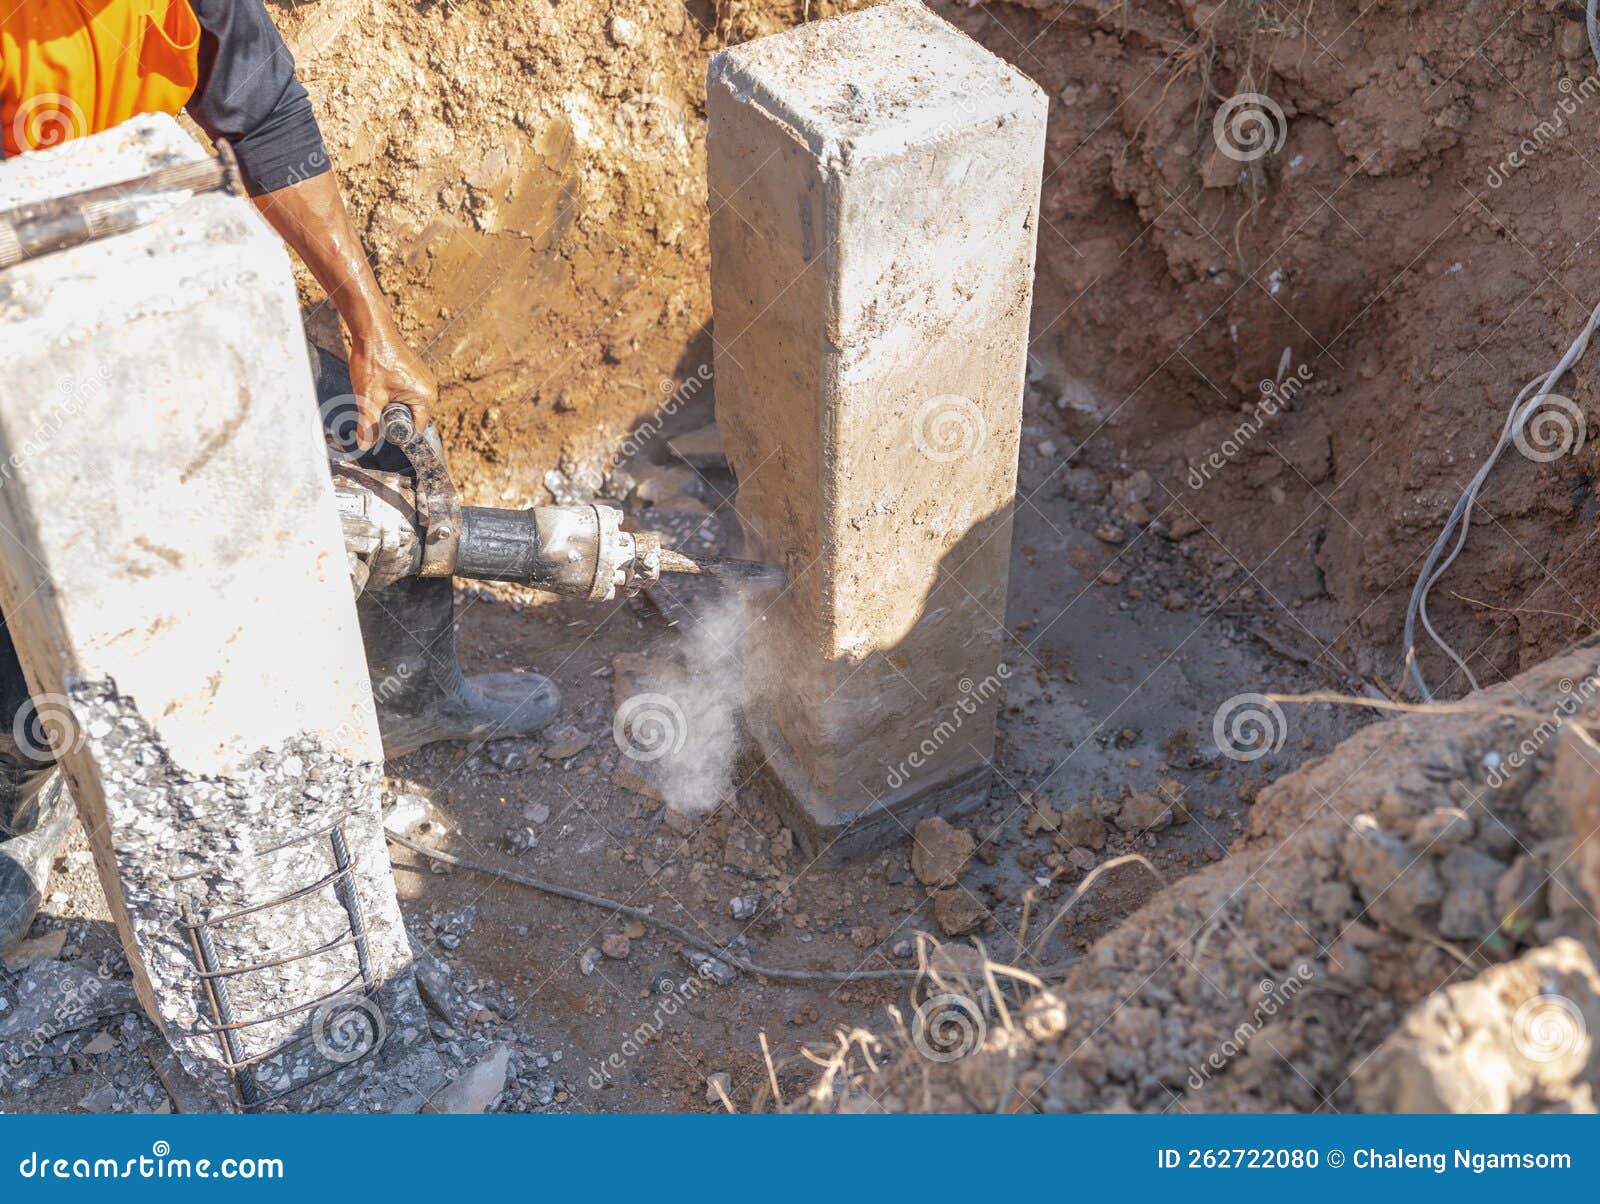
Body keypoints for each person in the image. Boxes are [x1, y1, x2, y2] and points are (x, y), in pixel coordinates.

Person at [0, 0, 559, 953]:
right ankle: (17, 808)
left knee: (381, 442)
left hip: (135, 263)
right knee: (28, 572)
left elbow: (262, 114)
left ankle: (410, 692)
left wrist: (366, 318)